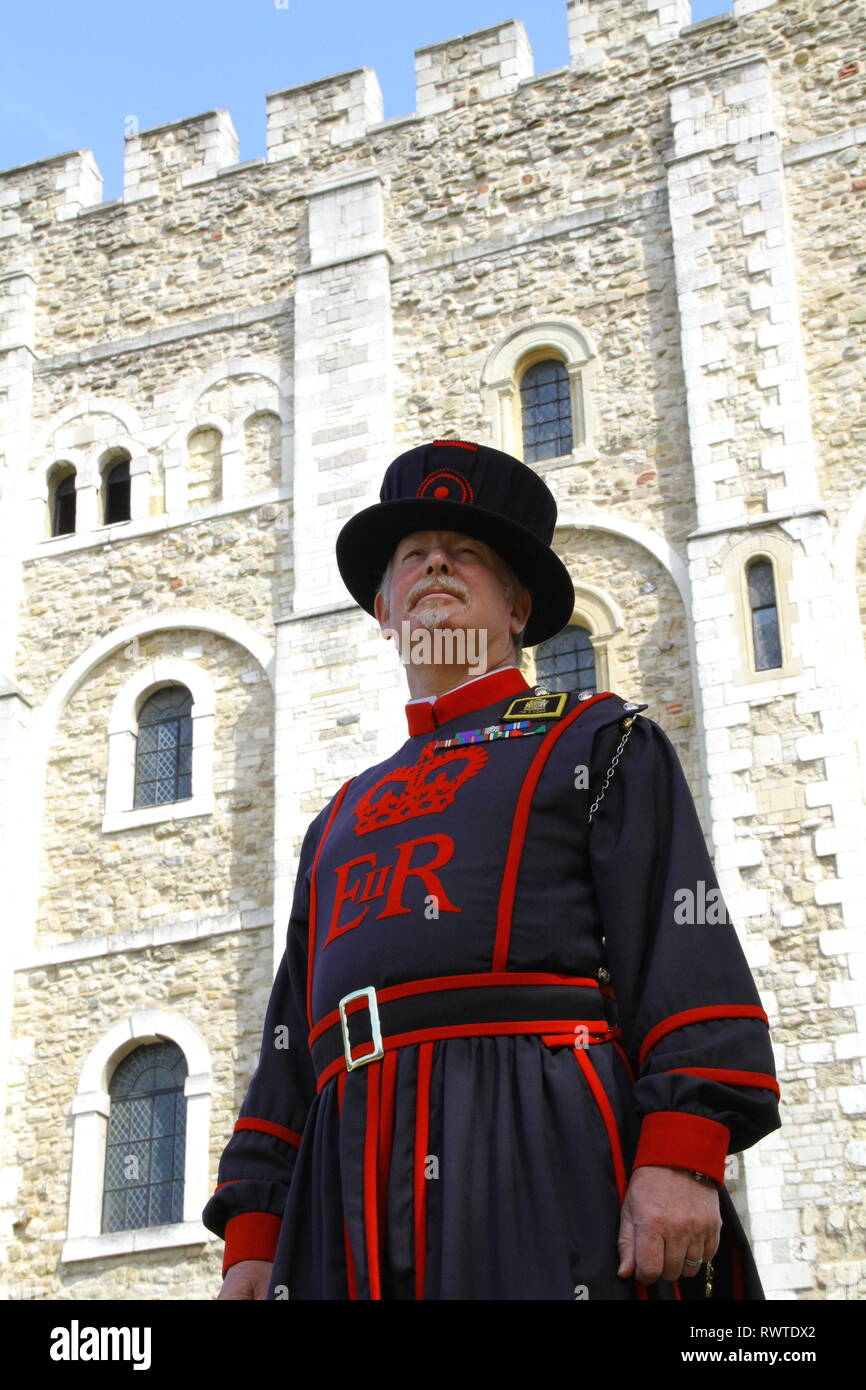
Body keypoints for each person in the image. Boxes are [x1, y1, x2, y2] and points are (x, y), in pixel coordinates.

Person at [203, 438, 781, 1300]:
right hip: (345, 1179)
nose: (435, 561)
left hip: (542, 1142)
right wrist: (255, 1230)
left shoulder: (600, 739)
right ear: (384, 611)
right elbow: (291, 1036)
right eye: (411, 556)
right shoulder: (336, 818)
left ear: (517, 608)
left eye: (466, 552)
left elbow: (678, 943)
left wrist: (684, 1153)